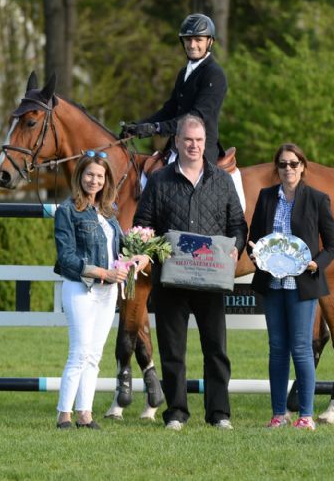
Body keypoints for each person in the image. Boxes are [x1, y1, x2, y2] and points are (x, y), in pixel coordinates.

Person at [132, 115, 247, 430]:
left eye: (199, 140)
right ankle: (177, 413)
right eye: (188, 140)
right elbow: (144, 223)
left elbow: (238, 223)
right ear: (178, 142)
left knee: (216, 350)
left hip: (211, 279)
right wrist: (147, 248)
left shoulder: (222, 181)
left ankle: (219, 414)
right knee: (172, 351)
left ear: (205, 142)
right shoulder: (159, 181)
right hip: (171, 279)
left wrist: (237, 244)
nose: (194, 145)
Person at [247, 143, 334, 431]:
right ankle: (278, 414)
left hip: (302, 284)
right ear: (277, 168)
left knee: (301, 348)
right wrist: (254, 253)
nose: (288, 169)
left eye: (293, 163)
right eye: (283, 164)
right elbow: (256, 238)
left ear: (303, 167)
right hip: (272, 283)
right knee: (276, 349)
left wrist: (316, 264)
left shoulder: (317, 199)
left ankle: (306, 416)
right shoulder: (265, 198)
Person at [53, 151, 149, 430]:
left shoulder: (109, 212)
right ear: (80, 177)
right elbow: (66, 258)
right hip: (81, 288)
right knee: (79, 351)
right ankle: (64, 414)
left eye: (99, 176)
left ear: (106, 180)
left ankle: (85, 413)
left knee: (95, 354)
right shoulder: (68, 211)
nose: (94, 180)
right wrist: (102, 272)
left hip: (108, 292)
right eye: (89, 175)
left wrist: (140, 257)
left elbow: (119, 250)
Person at [120, 13, 227, 165]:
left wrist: (157, 128)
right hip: (177, 145)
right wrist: (139, 126)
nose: (192, 45)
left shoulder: (214, 74)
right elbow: (169, 109)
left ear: (210, 42)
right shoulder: (184, 73)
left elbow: (196, 117)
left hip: (199, 149)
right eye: (188, 39)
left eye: (198, 40)